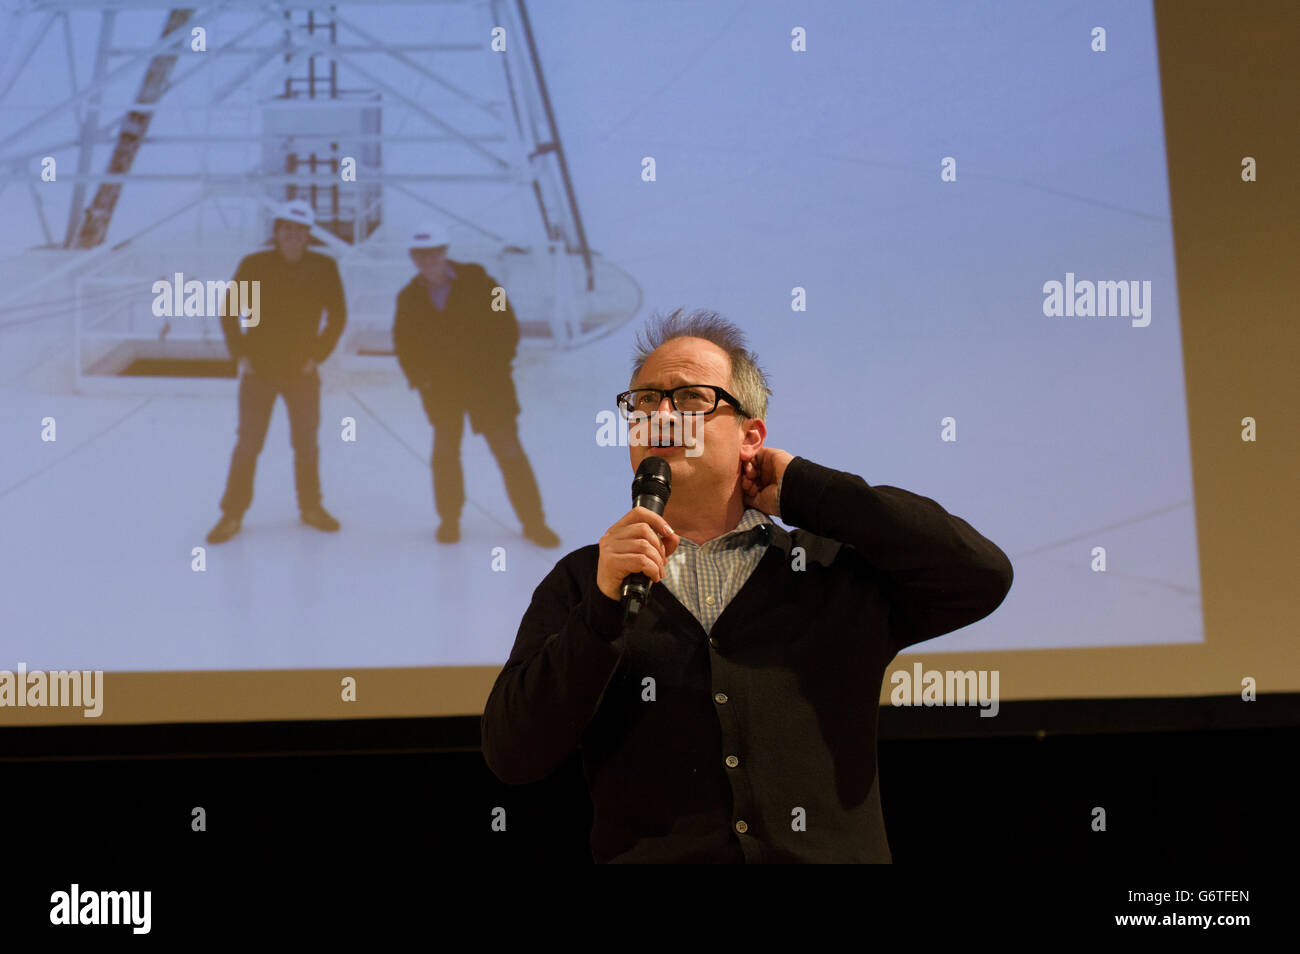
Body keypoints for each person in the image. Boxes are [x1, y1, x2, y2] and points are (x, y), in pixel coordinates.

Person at [480, 308, 1015, 863]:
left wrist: (807, 489)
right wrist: (601, 612)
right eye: (644, 402)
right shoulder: (587, 581)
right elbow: (514, 754)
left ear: (750, 436)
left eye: (691, 399)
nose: (663, 416)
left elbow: (981, 576)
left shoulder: (829, 572)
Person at [392, 223, 559, 547]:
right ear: (414, 258)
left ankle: (534, 522)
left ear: (444, 252)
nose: (428, 260)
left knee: (509, 452)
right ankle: (449, 521)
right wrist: (421, 380)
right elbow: (404, 343)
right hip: (441, 392)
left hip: (489, 388)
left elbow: (506, 324)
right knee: (445, 455)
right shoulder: (409, 297)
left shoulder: (483, 282)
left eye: (433, 253)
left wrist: (495, 368)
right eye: (420, 254)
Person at [206, 199, 346, 544]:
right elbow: (230, 311)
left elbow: (338, 316)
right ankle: (232, 513)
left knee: (306, 444)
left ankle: (311, 507)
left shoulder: (324, 267)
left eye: (299, 231)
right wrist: (241, 355)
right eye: (287, 230)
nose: (293, 236)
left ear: (308, 236)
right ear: (277, 233)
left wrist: (317, 355)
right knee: (248, 444)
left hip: (302, 371)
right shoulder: (255, 265)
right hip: (260, 371)